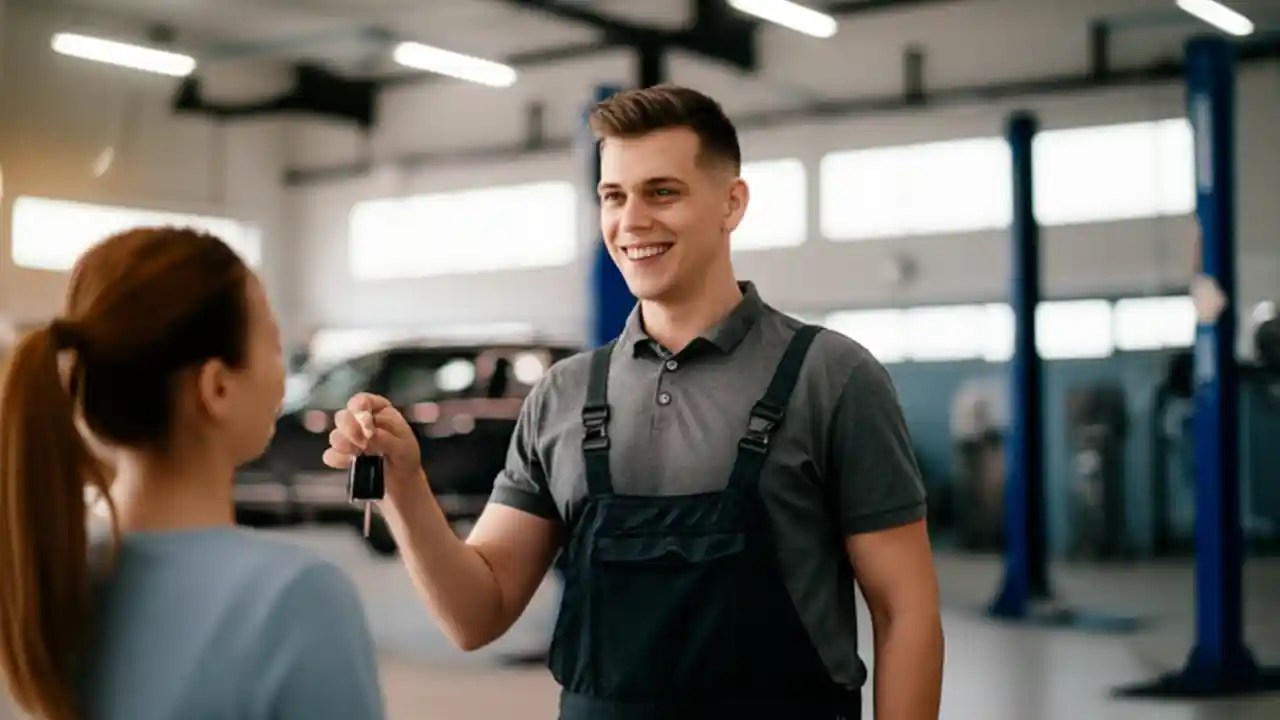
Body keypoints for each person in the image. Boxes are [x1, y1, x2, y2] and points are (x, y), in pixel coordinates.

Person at [326, 85, 944, 719]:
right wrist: (404, 487)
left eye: (662, 192)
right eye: (613, 196)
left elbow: (907, 613)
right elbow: (476, 614)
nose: (632, 221)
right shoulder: (563, 396)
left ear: (732, 203)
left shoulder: (832, 378)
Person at [0, 228, 385, 720]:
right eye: (270, 342)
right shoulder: (297, 600)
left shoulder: (39, 583)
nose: (281, 375)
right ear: (217, 387)